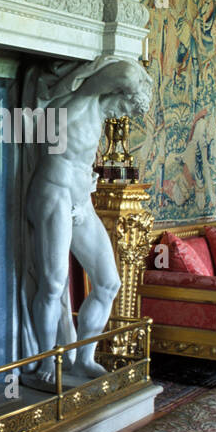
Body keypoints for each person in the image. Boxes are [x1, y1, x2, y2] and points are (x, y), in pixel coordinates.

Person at [21, 57, 152, 380]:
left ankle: (83, 358)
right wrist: (137, 82)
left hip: (82, 201)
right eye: (125, 105)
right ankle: (46, 361)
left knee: (109, 283)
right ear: (116, 90)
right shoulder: (76, 101)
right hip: (54, 195)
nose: (122, 115)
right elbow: (125, 72)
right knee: (53, 284)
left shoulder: (95, 112)